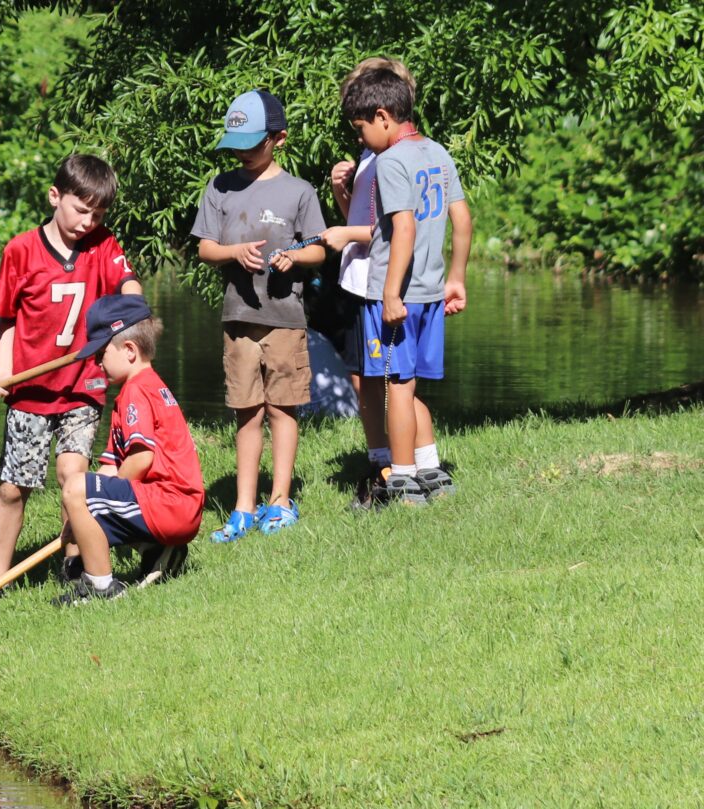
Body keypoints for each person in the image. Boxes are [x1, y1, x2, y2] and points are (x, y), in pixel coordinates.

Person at [0, 154, 143, 584]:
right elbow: (5, 320)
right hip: (30, 392)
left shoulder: (103, 245)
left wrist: (129, 302)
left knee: (74, 478)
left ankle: (75, 566)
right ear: (55, 196)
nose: (88, 222)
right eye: (81, 210)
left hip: (82, 387)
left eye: (99, 214)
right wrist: (1, 371)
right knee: (14, 487)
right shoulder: (20, 250)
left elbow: (129, 284)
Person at [323, 67, 472, 505]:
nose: (361, 138)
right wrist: (457, 278)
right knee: (411, 384)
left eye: (361, 128)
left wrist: (389, 293)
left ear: (383, 116)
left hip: (395, 297)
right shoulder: (437, 152)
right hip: (430, 291)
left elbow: (402, 229)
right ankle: (432, 471)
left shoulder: (390, 161)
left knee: (397, 386)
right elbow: (461, 219)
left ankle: (403, 478)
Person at [189, 89, 327, 541]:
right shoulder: (219, 187)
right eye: (237, 144)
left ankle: (281, 501)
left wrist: (295, 257)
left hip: (286, 317)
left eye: (253, 143)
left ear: (279, 138)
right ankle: (243, 508)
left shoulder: (299, 192)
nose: (243, 152)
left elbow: (320, 248)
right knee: (246, 411)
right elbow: (205, 247)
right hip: (239, 318)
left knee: (281, 407)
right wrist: (234, 252)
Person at [55, 294, 205, 604]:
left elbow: (141, 458)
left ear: (130, 351)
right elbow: (111, 465)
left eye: (101, 353)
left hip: (170, 505)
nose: (97, 362)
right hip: (176, 507)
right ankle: (158, 550)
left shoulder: (137, 391)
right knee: (82, 491)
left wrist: (89, 500)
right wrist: (79, 515)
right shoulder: (140, 388)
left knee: (76, 487)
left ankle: (101, 586)